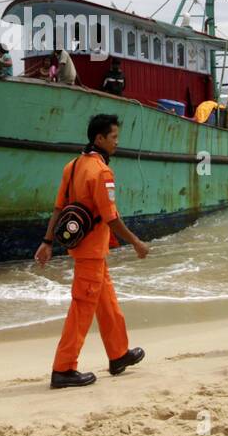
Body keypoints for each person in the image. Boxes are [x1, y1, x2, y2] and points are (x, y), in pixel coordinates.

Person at [35, 114, 149, 388]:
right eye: (114, 138)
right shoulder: (102, 172)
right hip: (91, 252)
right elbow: (111, 218)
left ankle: (118, 354)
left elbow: (59, 208)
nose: (116, 143)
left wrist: (48, 241)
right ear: (99, 139)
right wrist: (136, 242)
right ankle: (64, 368)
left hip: (84, 249)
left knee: (107, 302)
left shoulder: (72, 166)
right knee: (82, 309)